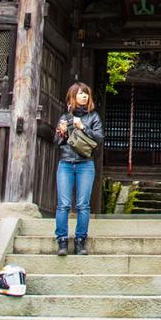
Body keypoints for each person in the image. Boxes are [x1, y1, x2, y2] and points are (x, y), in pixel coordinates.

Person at [55, 81, 103, 256]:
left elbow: (99, 139)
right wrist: (61, 133)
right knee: (63, 204)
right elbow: (57, 143)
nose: (84, 96)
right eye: (80, 93)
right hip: (66, 163)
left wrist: (83, 127)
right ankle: (61, 240)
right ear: (72, 97)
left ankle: (80, 241)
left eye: (86, 93)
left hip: (85, 164)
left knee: (83, 205)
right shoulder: (64, 117)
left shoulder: (93, 117)